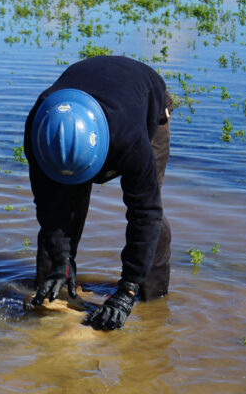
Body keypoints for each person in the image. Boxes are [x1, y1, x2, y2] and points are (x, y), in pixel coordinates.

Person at [25, 55, 175, 329]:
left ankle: (151, 306)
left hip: (141, 99)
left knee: (153, 215)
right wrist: (61, 258)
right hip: (89, 108)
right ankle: (49, 296)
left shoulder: (130, 139)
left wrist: (127, 290)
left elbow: (146, 214)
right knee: (62, 211)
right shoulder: (40, 131)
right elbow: (49, 207)